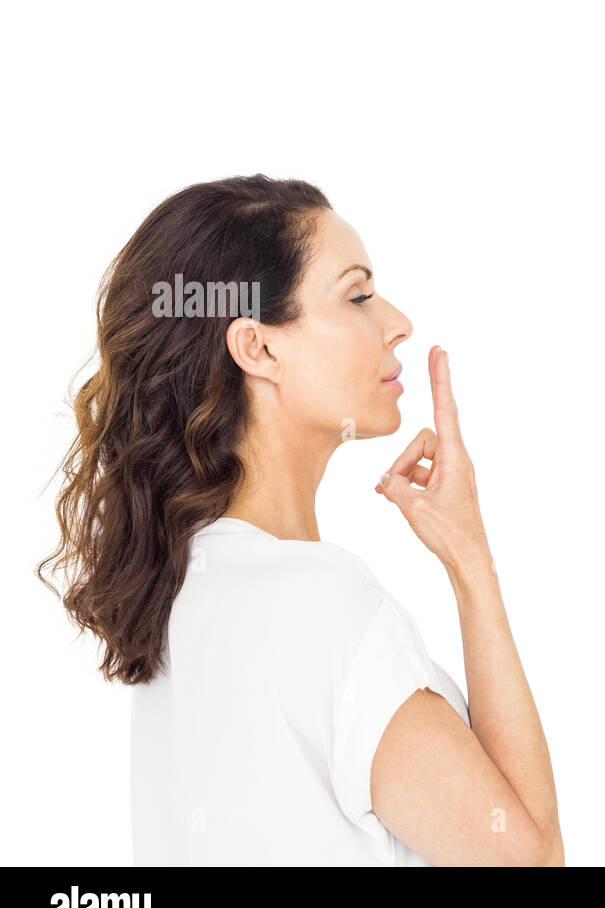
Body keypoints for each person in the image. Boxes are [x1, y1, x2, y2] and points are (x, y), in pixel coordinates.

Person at [39, 175, 562, 866]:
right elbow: (529, 860)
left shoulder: (183, 595)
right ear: (258, 348)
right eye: (357, 295)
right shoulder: (319, 600)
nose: (398, 322)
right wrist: (472, 565)